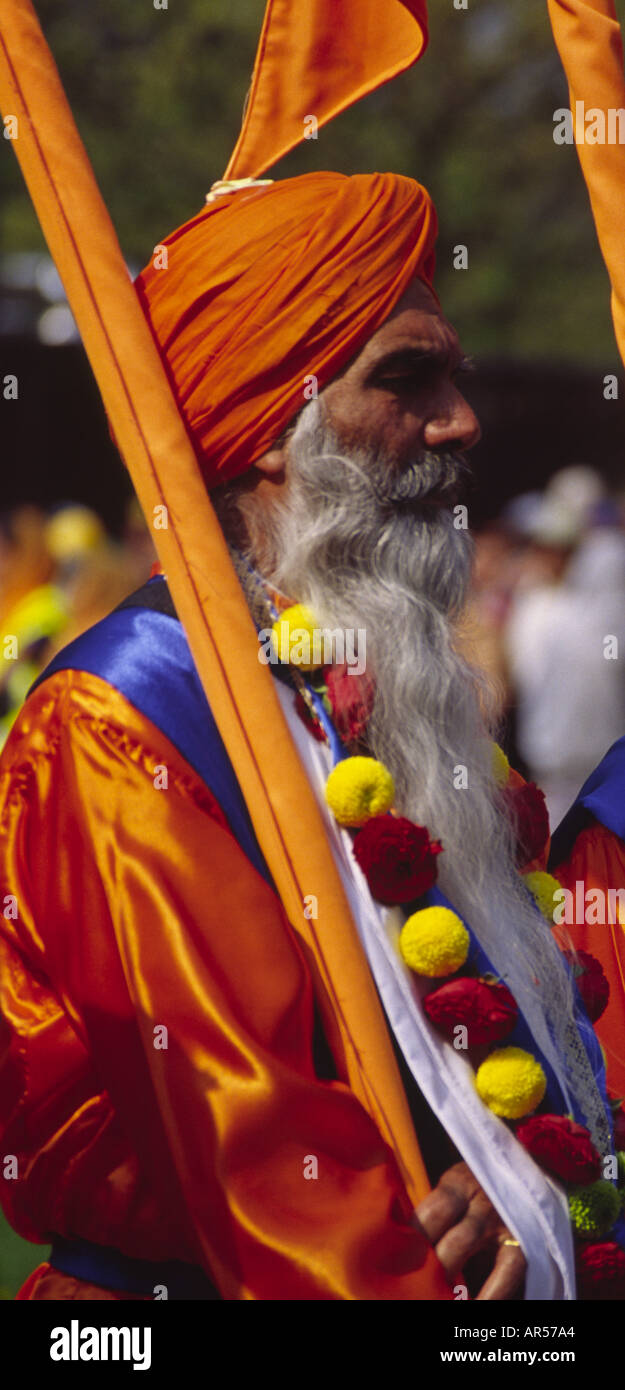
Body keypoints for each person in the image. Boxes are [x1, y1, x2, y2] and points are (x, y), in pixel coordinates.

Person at [0, 174, 618, 1303]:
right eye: (405, 379)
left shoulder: (377, 690)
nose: (460, 421)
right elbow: (255, 1151)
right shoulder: (124, 716)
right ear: (272, 427)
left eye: (454, 377)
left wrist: (506, 1164)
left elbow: (516, 1009)